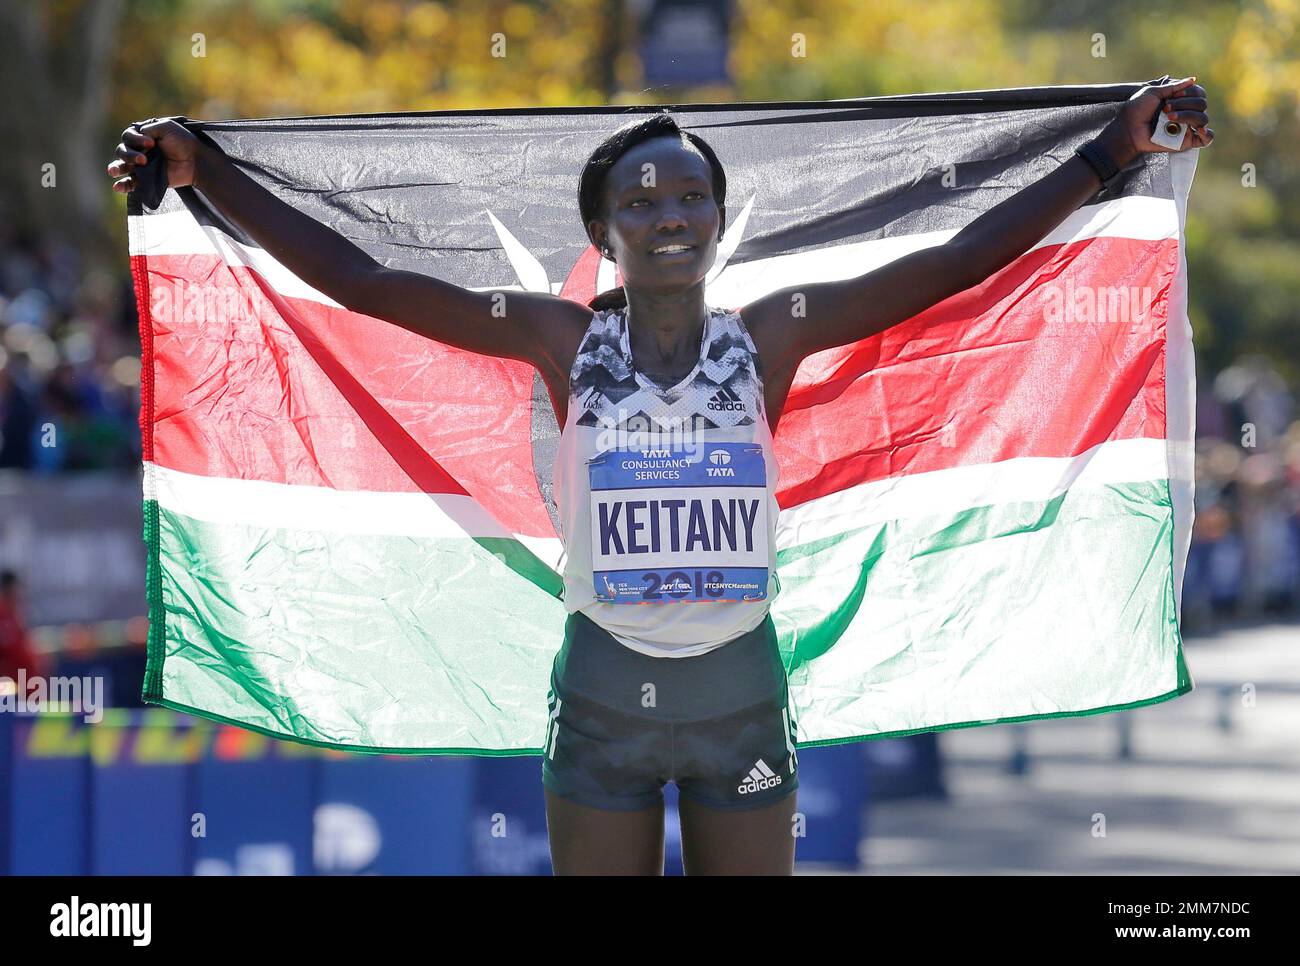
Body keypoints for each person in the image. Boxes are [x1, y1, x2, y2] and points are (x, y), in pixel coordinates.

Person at [107, 77, 1213, 875]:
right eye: (640, 201)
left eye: (688, 197)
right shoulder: (556, 338)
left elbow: (951, 263)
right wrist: (209, 177)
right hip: (599, 696)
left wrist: (1110, 154)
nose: (668, 214)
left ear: (720, 220)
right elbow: (367, 280)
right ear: (604, 226)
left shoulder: (773, 333)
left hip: (739, 695)